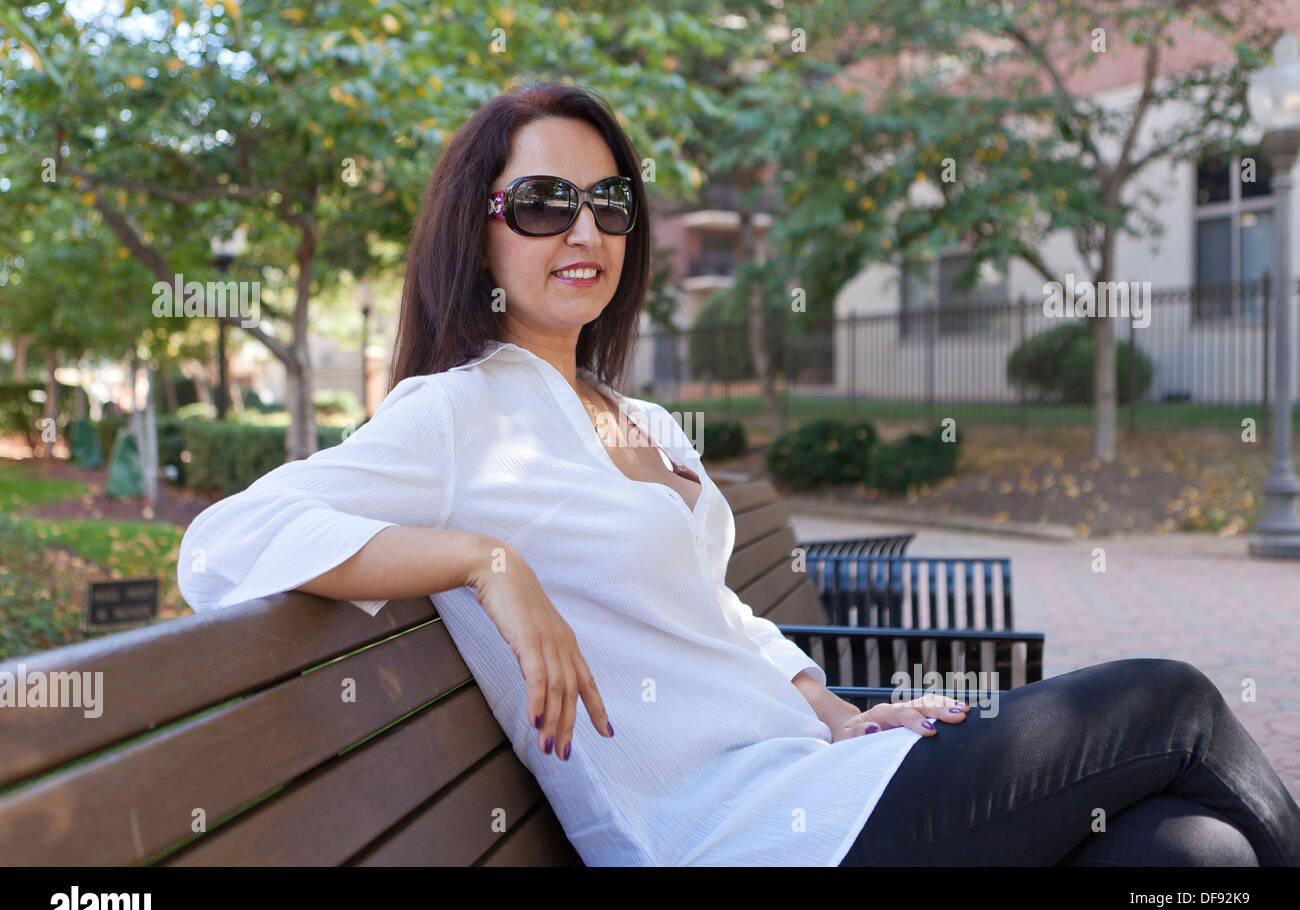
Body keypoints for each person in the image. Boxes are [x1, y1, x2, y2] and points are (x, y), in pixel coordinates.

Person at [177, 80, 1300, 866]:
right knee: (1173, 702)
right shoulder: (456, 413)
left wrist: (833, 708)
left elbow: (709, 611)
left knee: (1186, 851)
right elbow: (221, 543)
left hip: (806, 775)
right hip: (722, 836)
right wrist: (483, 559)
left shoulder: (641, 420)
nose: (584, 228)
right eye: (541, 203)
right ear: (478, 238)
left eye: (608, 200)